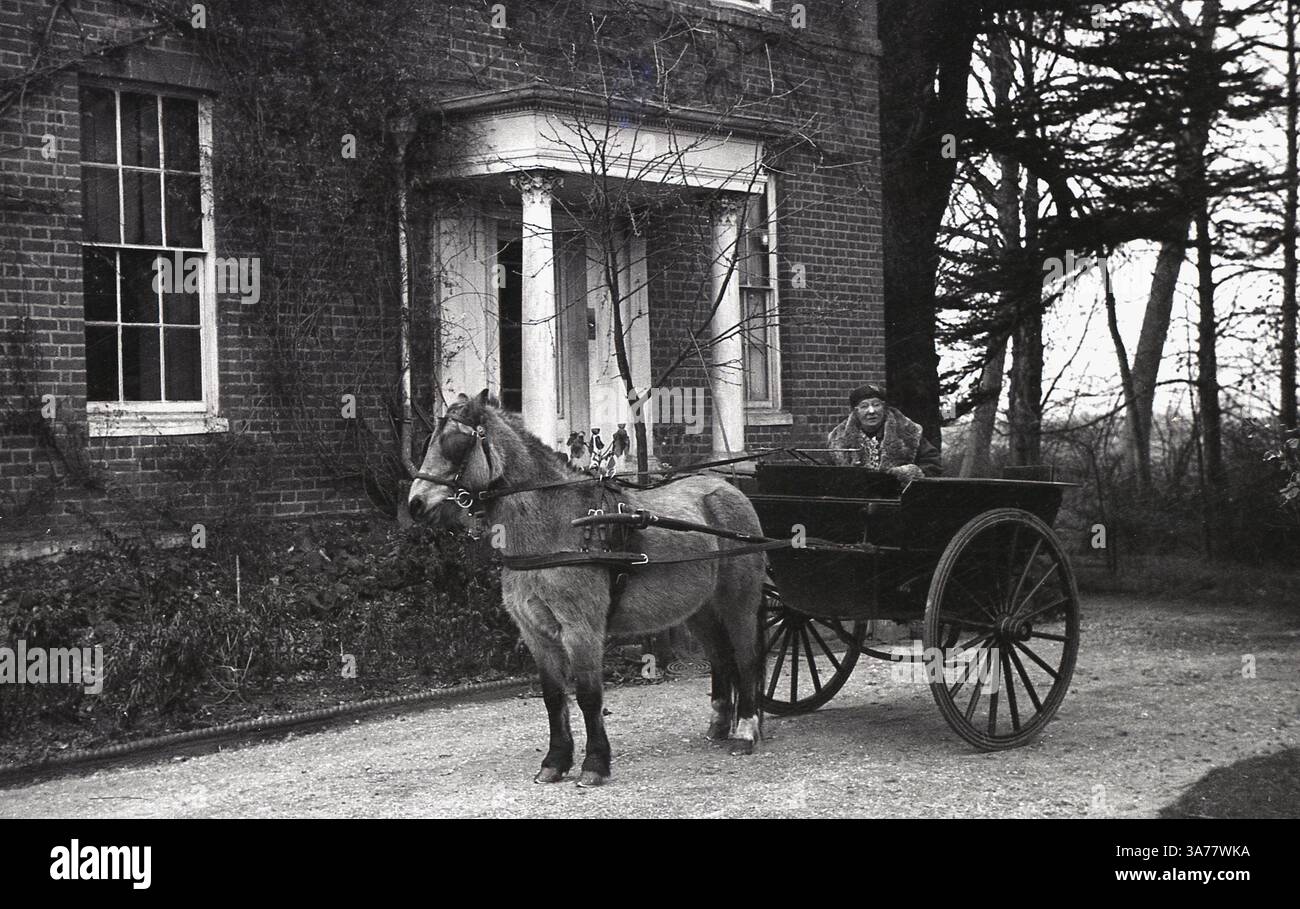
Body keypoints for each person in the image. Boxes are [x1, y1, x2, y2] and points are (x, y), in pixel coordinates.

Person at [826, 383, 943, 480]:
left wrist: (908, 474)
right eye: (864, 406)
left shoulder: (909, 432)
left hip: (899, 499)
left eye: (876, 405)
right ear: (855, 412)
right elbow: (829, 473)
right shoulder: (838, 439)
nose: (871, 411)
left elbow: (932, 464)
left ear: (884, 407)